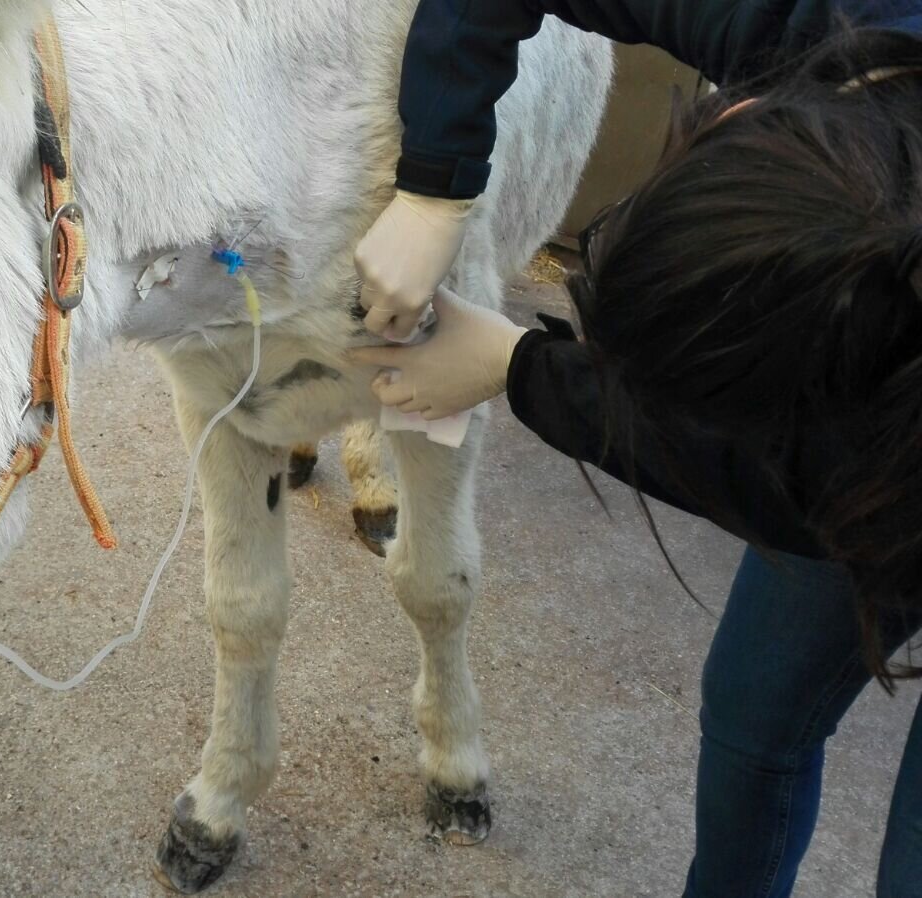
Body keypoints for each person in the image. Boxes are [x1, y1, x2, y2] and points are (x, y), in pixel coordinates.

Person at [350, 4, 922, 896]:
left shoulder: (848, 465)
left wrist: (520, 368)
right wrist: (434, 186)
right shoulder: (819, 21)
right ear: (746, 111)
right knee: (752, 714)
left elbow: (779, 490)